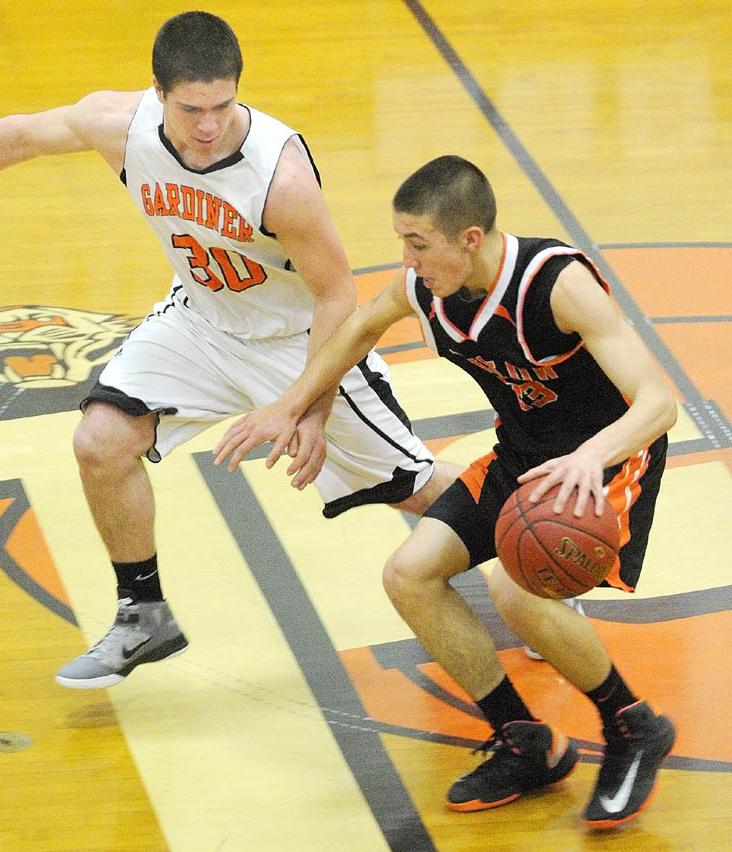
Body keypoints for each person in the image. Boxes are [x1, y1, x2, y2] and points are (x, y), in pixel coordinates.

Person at [0, 12, 461, 688]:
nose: (209, 125)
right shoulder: (119, 127)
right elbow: (22, 135)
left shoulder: (281, 176)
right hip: (200, 323)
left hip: (296, 341)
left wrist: (310, 408)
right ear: (157, 92)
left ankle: (536, 563)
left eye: (223, 106)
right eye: (192, 109)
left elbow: (337, 297)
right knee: (100, 440)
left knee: (414, 487)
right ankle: (142, 613)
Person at [213, 155, 678, 830]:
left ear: (470, 239)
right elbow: (360, 325)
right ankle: (524, 742)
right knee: (409, 574)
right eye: (403, 241)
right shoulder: (428, 289)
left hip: (607, 458)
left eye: (417, 243)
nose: (407, 259)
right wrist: (294, 405)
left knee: (516, 589)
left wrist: (588, 458)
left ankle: (633, 726)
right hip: (522, 457)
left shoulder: (555, 285)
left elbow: (659, 402)